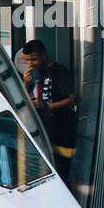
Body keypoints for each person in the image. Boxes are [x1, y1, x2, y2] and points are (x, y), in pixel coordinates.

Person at [20, 40, 77, 181]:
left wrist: (47, 106)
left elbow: (72, 99)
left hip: (59, 129)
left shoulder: (59, 72)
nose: (30, 63)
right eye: (27, 60)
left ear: (44, 55)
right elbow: (22, 100)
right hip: (40, 129)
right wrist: (25, 85)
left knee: (60, 169)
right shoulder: (31, 75)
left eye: (34, 59)